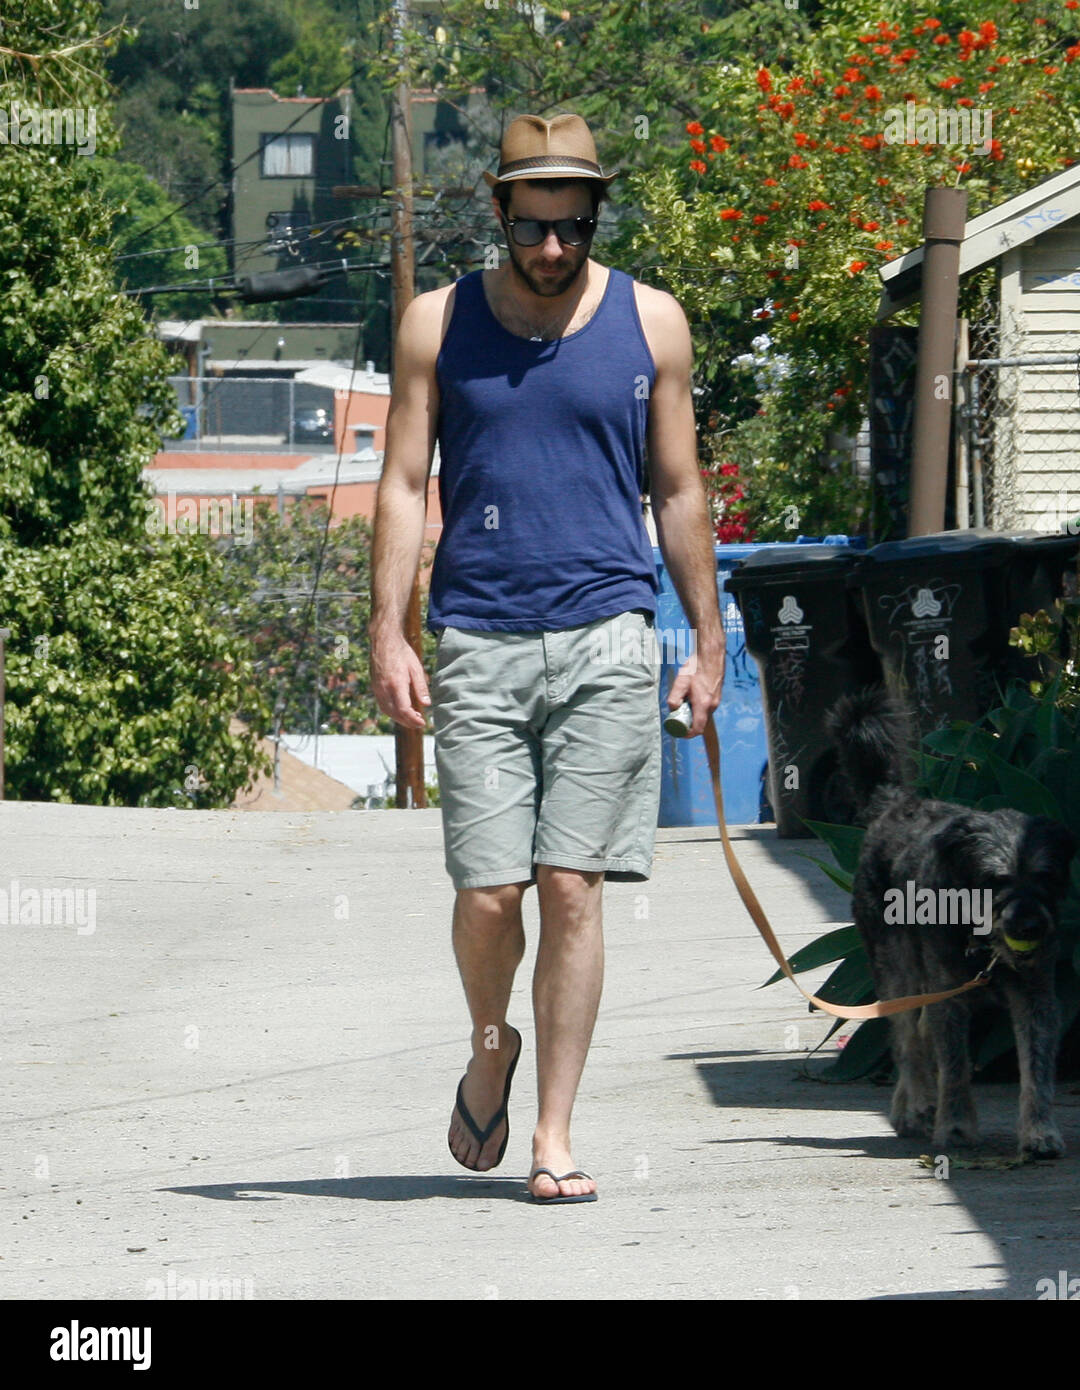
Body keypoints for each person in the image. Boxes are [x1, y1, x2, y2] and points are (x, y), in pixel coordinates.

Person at [369, 113, 724, 1204]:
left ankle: (553, 1134)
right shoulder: (437, 325)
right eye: (534, 227)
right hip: (476, 634)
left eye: (574, 226)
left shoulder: (652, 324)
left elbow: (677, 489)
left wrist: (706, 639)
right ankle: (492, 1047)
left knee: (573, 886)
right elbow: (400, 483)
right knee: (490, 893)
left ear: (593, 215)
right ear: (500, 213)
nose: (555, 249)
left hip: (610, 635)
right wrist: (387, 629)